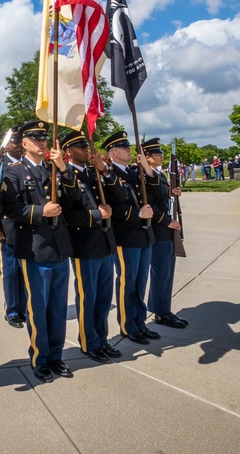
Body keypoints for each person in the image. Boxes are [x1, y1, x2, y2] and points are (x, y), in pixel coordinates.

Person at [0, 120, 76, 384]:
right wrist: (42, 211)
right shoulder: (14, 173)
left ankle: (56, 356)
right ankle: (40, 359)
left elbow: (76, 198)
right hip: (35, 248)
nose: (42, 143)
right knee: (38, 309)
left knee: (57, 308)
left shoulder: (56, 169)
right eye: (36, 139)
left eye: (44, 138)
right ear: (24, 143)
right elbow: (10, 209)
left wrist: (63, 167)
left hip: (59, 247)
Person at [61, 129, 118, 363]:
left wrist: (104, 171)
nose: (86, 150)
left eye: (87, 146)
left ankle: (102, 339)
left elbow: (119, 195)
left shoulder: (95, 173)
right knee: (89, 297)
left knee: (104, 297)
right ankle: (89, 342)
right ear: (68, 151)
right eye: (81, 147)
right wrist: (96, 215)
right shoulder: (66, 176)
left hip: (105, 243)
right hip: (84, 246)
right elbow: (67, 215)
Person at [99, 130, 157, 345]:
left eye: (127, 146)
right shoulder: (108, 175)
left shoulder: (135, 171)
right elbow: (112, 207)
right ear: (113, 153)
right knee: (128, 283)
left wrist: (146, 166)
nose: (128, 149)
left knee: (141, 283)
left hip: (144, 234)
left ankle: (140, 322)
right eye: (123, 147)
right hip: (126, 236)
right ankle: (127, 324)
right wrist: (137, 214)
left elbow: (154, 190)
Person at [136, 138, 188, 330]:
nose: (161, 156)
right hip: (158, 229)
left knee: (167, 271)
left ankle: (162, 308)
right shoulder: (144, 175)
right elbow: (149, 203)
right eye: (157, 154)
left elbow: (163, 198)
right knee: (161, 271)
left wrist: (174, 192)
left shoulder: (160, 174)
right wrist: (167, 222)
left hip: (167, 228)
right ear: (147, 157)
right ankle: (161, 311)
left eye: (161, 153)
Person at [0, 129, 27, 328]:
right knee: (11, 271)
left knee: (25, 271)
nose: (19, 145)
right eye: (15, 142)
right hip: (7, 227)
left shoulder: (26, 164)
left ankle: (23, 309)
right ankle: (12, 311)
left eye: (21, 142)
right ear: (6, 145)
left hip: (26, 226)